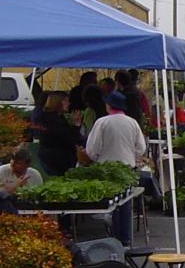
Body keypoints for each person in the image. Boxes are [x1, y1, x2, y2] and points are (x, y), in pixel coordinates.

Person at [84, 92, 147, 246]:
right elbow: (141, 147)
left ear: (108, 105)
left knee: (109, 203)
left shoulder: (102, 122)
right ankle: (125, 239)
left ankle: (112, 239)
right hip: (127, 167)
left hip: (106, 169)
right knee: (125, 203)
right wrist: (132, 155)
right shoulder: (132, 122)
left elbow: (92, 148)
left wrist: (96, 158)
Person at [0, 148, 43, 218]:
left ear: (27, 165)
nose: (13, 164)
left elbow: (39, 195)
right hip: (4, 205)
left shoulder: (35, 175)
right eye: (12, 160)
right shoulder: (2, 170)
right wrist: (14, 186)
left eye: (18, 163)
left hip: (28, 206)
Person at [34, 91, 83, 177]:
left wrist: (76, 126)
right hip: (55, 159)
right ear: (58, 102)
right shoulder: (52, 120)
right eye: (66, 101)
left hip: (58, 158)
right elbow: (68, 138)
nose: (69, 103)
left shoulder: (58, 117)